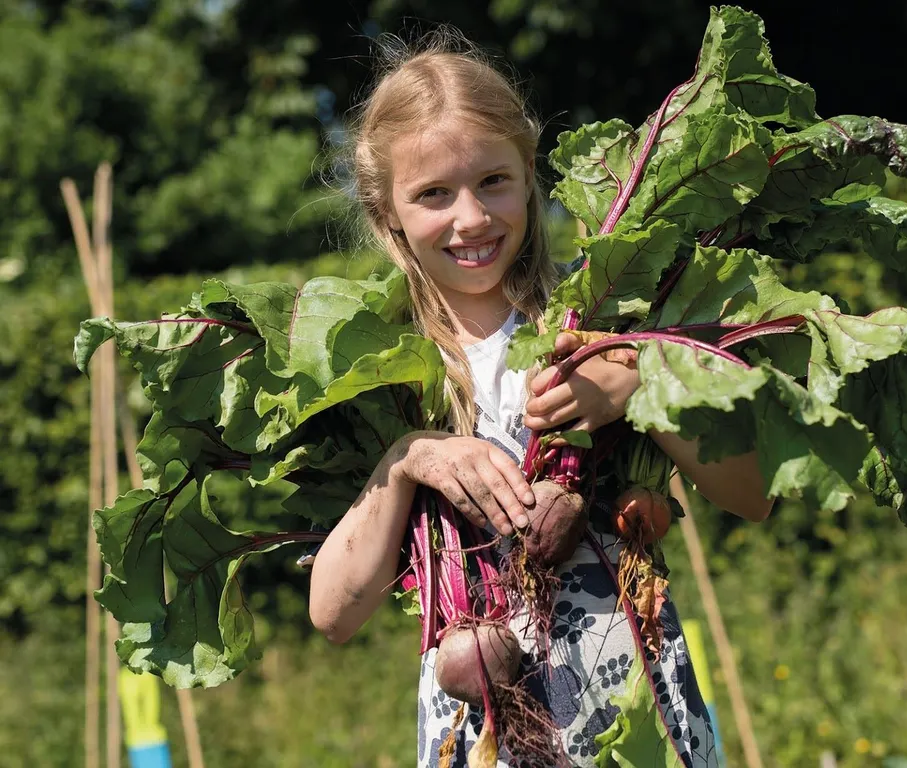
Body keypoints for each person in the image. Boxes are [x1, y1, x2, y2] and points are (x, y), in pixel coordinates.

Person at [307, 31, 773, 768]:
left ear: (529, 176)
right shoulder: (379, 375)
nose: (471, 219)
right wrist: (407, 460)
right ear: (387, 212)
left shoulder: (604, 324)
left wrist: (644, 383)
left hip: (634, 710)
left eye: (493, 181)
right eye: (433, 194)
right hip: (479, 731)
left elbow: (750, 494)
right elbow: (332, 613)